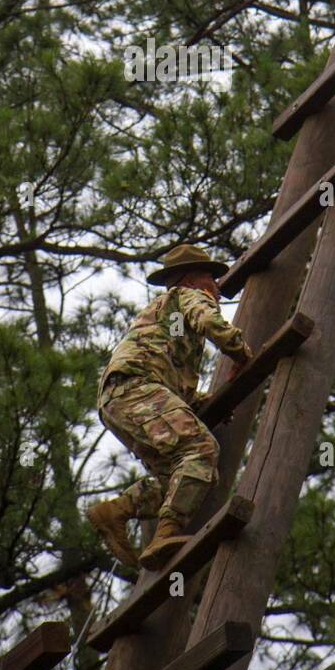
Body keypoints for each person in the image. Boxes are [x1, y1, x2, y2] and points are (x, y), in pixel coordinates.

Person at [88, 243, 252, 571]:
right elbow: (210, 321)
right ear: (196, 278)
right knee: (201, 451)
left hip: (119, 397)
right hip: (136, 387)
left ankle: (117, 510)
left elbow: (176, 386)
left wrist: (208, 402)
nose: (217, 289)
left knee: (175, 478)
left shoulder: (166, 319)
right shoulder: (187, 296)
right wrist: (242, 353)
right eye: (212, 280)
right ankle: (165, 534)